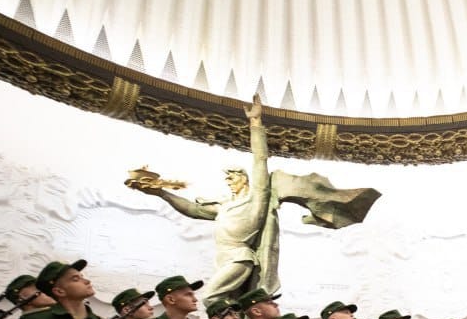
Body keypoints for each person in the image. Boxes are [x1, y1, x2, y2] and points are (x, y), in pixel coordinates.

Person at [127, 96, 380, 303]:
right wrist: (160, 192)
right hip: (224, 257)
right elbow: (192, 210)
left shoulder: (256, 197)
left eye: (233, 177)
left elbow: (260, 160)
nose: (228, 181)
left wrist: (256, 123)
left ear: (245, 180)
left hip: (240, 258)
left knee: (210, 300)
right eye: (227, 179)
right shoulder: (225, 205)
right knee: (234, 306)